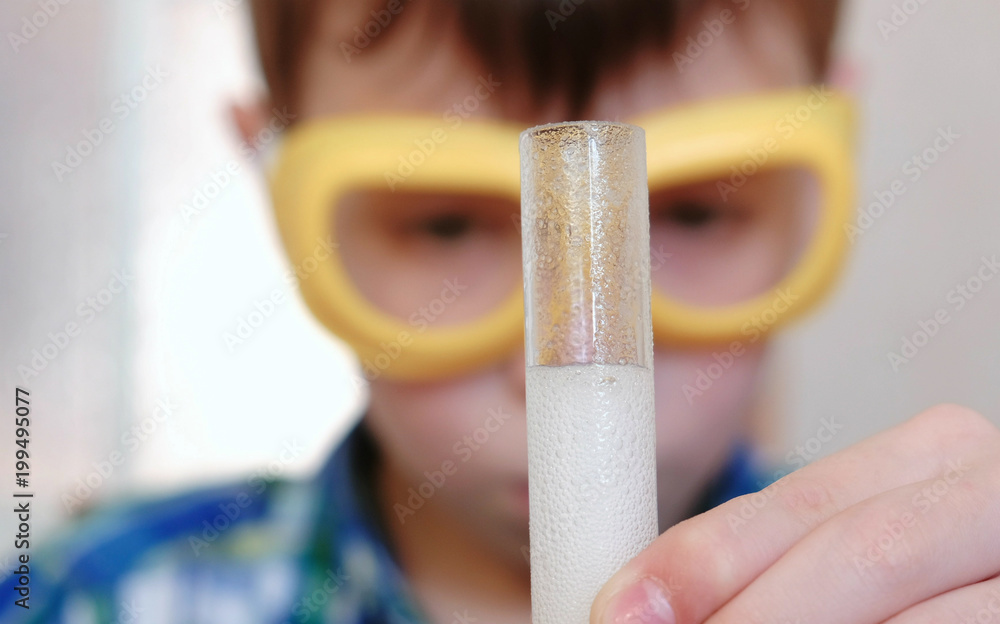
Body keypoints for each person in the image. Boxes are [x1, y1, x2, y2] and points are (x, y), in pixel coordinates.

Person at [6, 1, 1000, 623]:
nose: (556, 368)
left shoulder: (924, 592)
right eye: (442, 225)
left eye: (696, 211)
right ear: (271, 176)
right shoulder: (91, 601)